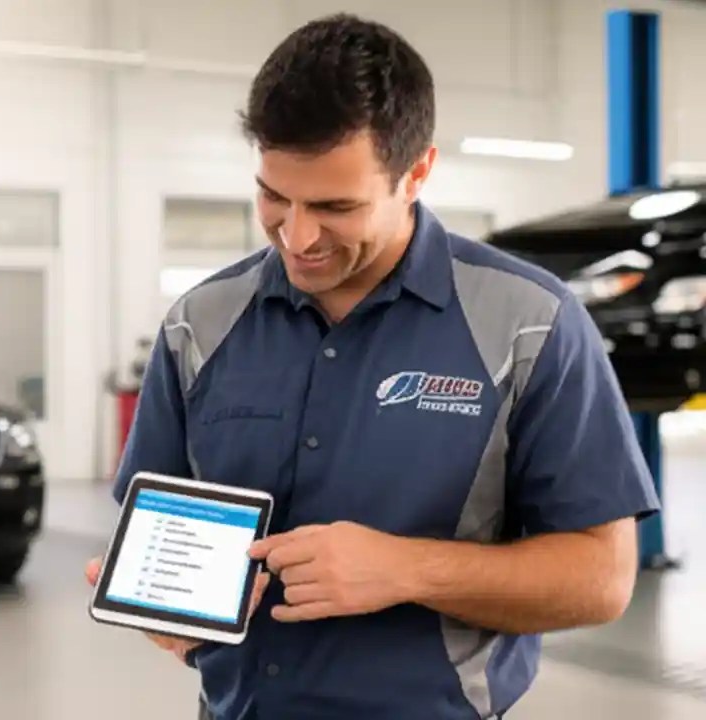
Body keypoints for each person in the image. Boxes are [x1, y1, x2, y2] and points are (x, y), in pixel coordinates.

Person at [86, 13, 659, 720]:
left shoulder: (528, 323)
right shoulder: (198, 323)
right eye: (274, 197)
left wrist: (404, 568)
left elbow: (601, 579)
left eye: (335, 206)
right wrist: (157, 598)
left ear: (417, 171)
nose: (296, 237)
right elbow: (156, 524)